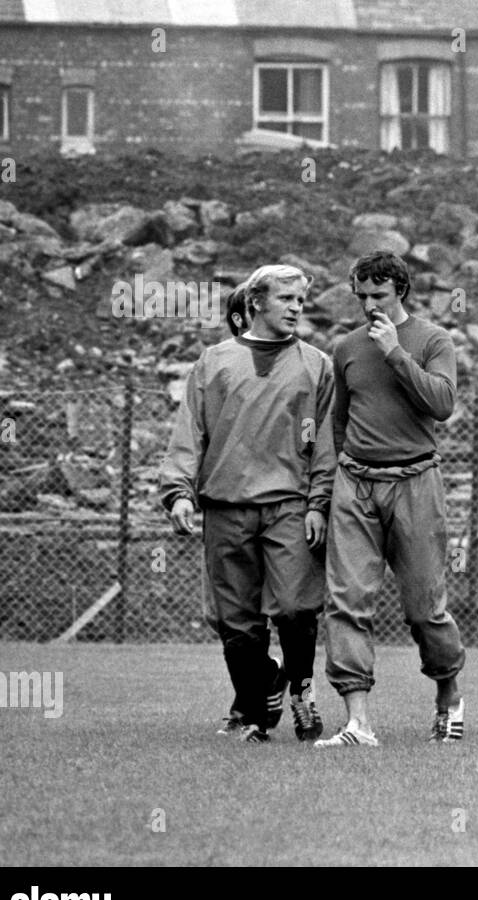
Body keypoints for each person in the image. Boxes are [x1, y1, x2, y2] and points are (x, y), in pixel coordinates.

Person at [160, 264, 332, 743]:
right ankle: (255, 713)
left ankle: (300, 690)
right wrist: (177, 491)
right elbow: (189, 431)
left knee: (297, 608)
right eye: (287, 299)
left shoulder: (318, 364)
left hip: (290, 505)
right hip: (225, 505)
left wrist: (320, 500)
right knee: (235, 619)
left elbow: (327, 443)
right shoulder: (213, 362)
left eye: (302, 300)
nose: (298, 308)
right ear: (255, 303)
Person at [315, 250, 466, 748]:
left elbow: (442, 405)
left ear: (400, 290)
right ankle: (358, 721)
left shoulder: (433, 340)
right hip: (355, 482)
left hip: (416, 481)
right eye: (360, 296)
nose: (368, 306)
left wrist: (396, 353)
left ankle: (449, 693)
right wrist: (334, 482)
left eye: (377, 295)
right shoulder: (345, 347)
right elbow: (339, 420)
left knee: (425, 606)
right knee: (346, 602)